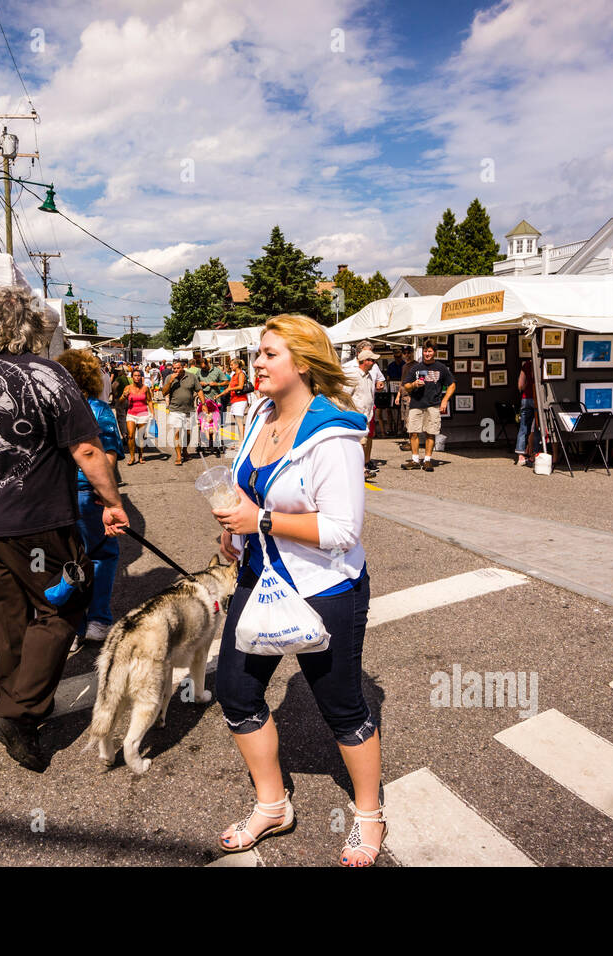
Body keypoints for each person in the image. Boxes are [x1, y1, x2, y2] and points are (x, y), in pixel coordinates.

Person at [0, 288, 129, 772]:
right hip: (40, 521)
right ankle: (17, 712)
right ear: (31, 332)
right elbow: (88, 451)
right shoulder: (47, 373)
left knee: (10, 613)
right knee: (65, 604)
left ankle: (20, 701)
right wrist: (112, 502)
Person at [211, 313, 382, 867]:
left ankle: (368, 815)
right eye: (256, 353)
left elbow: (341, 531)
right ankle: (272, 804)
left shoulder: (333, 434)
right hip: (258, 579)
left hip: (326, 588)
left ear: (303, 364)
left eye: (269, 354)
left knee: (342, 707)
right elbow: (250, 486)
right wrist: (234, 528)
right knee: (236, 693)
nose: (256, 363)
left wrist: (259, 521)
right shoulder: (259, 413)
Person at [57, 350, 126, 652]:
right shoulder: (98, 409)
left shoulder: (52, 410)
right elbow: (106, 454)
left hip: (55, 496)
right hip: (88, 493)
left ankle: (72, 625)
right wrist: (108, 496)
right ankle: (97, 620)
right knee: (102, 554)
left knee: (66, 558)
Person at [399, 341, 455, 472]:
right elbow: (406, 385)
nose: (427, 354)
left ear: (434, 352)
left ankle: (428, 460)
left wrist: (445, 400)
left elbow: (452, 385)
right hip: (416, 404)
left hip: (433, 404)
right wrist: (414, 385)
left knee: (431, 432)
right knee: (413, 432)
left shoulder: (441, 368)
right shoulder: (416, 368)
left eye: (430, 351)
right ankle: (415, 460)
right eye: (425, 351)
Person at [348, 347, 382, 480]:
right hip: (356, 415)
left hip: (366, 415)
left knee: (363, 443)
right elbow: (345, 395)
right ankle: (360, 469)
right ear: (365, 361)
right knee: (359, 444)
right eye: (372, 360)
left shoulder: (368, 376)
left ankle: (360, 468)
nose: (374, 363)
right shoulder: (354, 375)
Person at [161, 358, 201, 466]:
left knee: (188, 433)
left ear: (183, 367)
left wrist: (204, 404)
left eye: (178, 368)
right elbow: (164, 393)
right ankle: (179, 456)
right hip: (175, 409)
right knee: (177, 432)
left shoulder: (191, 377)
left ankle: (184, 450)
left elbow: (199, 390)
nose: (176, 370)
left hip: (189, 409)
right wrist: (170, 382)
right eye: (174, 368)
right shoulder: (169, 377)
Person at [196, 357, 229, 454]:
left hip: (215, 399)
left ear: (207, 364)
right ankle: (206, 442)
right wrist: (199, 383)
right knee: (204, 422)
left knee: (215, 422)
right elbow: (194, 383)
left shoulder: (217, 371)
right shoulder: (199, 372)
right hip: (204, 400)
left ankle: (214, 443)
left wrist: (216, 384)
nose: (203, 370)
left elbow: (226, 382)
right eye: (202, 369)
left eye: (204, 368)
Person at [120, 367, 152, 464]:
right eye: (135, 376)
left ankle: (141, 456)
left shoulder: (145, 388)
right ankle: (132, 457)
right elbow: (120, 402)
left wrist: (152, 413)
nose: (137, 378)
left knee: (141, 436)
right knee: (130, 436)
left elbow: (149, 401)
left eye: (139, 376)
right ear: (132, 377)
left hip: (143, 414)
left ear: (141, 377)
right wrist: (124, 396)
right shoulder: (128, 388)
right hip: (131, 414)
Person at [515, 354, 537, 466]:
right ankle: (534, 454)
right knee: (536, 427)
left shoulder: (526, 365)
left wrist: (525, 387)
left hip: (526, 399)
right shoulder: (542, 363)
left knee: (523, 426)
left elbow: (520, 385)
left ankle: (521, 456)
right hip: (537, 399)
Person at [224, 357, 251, 449]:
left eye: (231, 365)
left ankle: (242, 442)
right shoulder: (234, 375)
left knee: (240, 422)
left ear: (236, 365)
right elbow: (230, 386)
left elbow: (240, 386)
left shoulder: (241, 374)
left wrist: (230, 389)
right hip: (234, 400)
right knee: (237, 421)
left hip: (240, 399)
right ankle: (240, 441)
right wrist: (219, 395)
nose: (230, 366)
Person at [385, 346, 407, 437]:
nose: (397, 359)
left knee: (402, 410)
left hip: (403, 389)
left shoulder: (404, 365)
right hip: (393, 389)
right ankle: (392, 428)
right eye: (396, 357)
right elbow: (388, 378)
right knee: (391, 409)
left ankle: (402, 429)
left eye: (399, 357)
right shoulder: (391, 366)